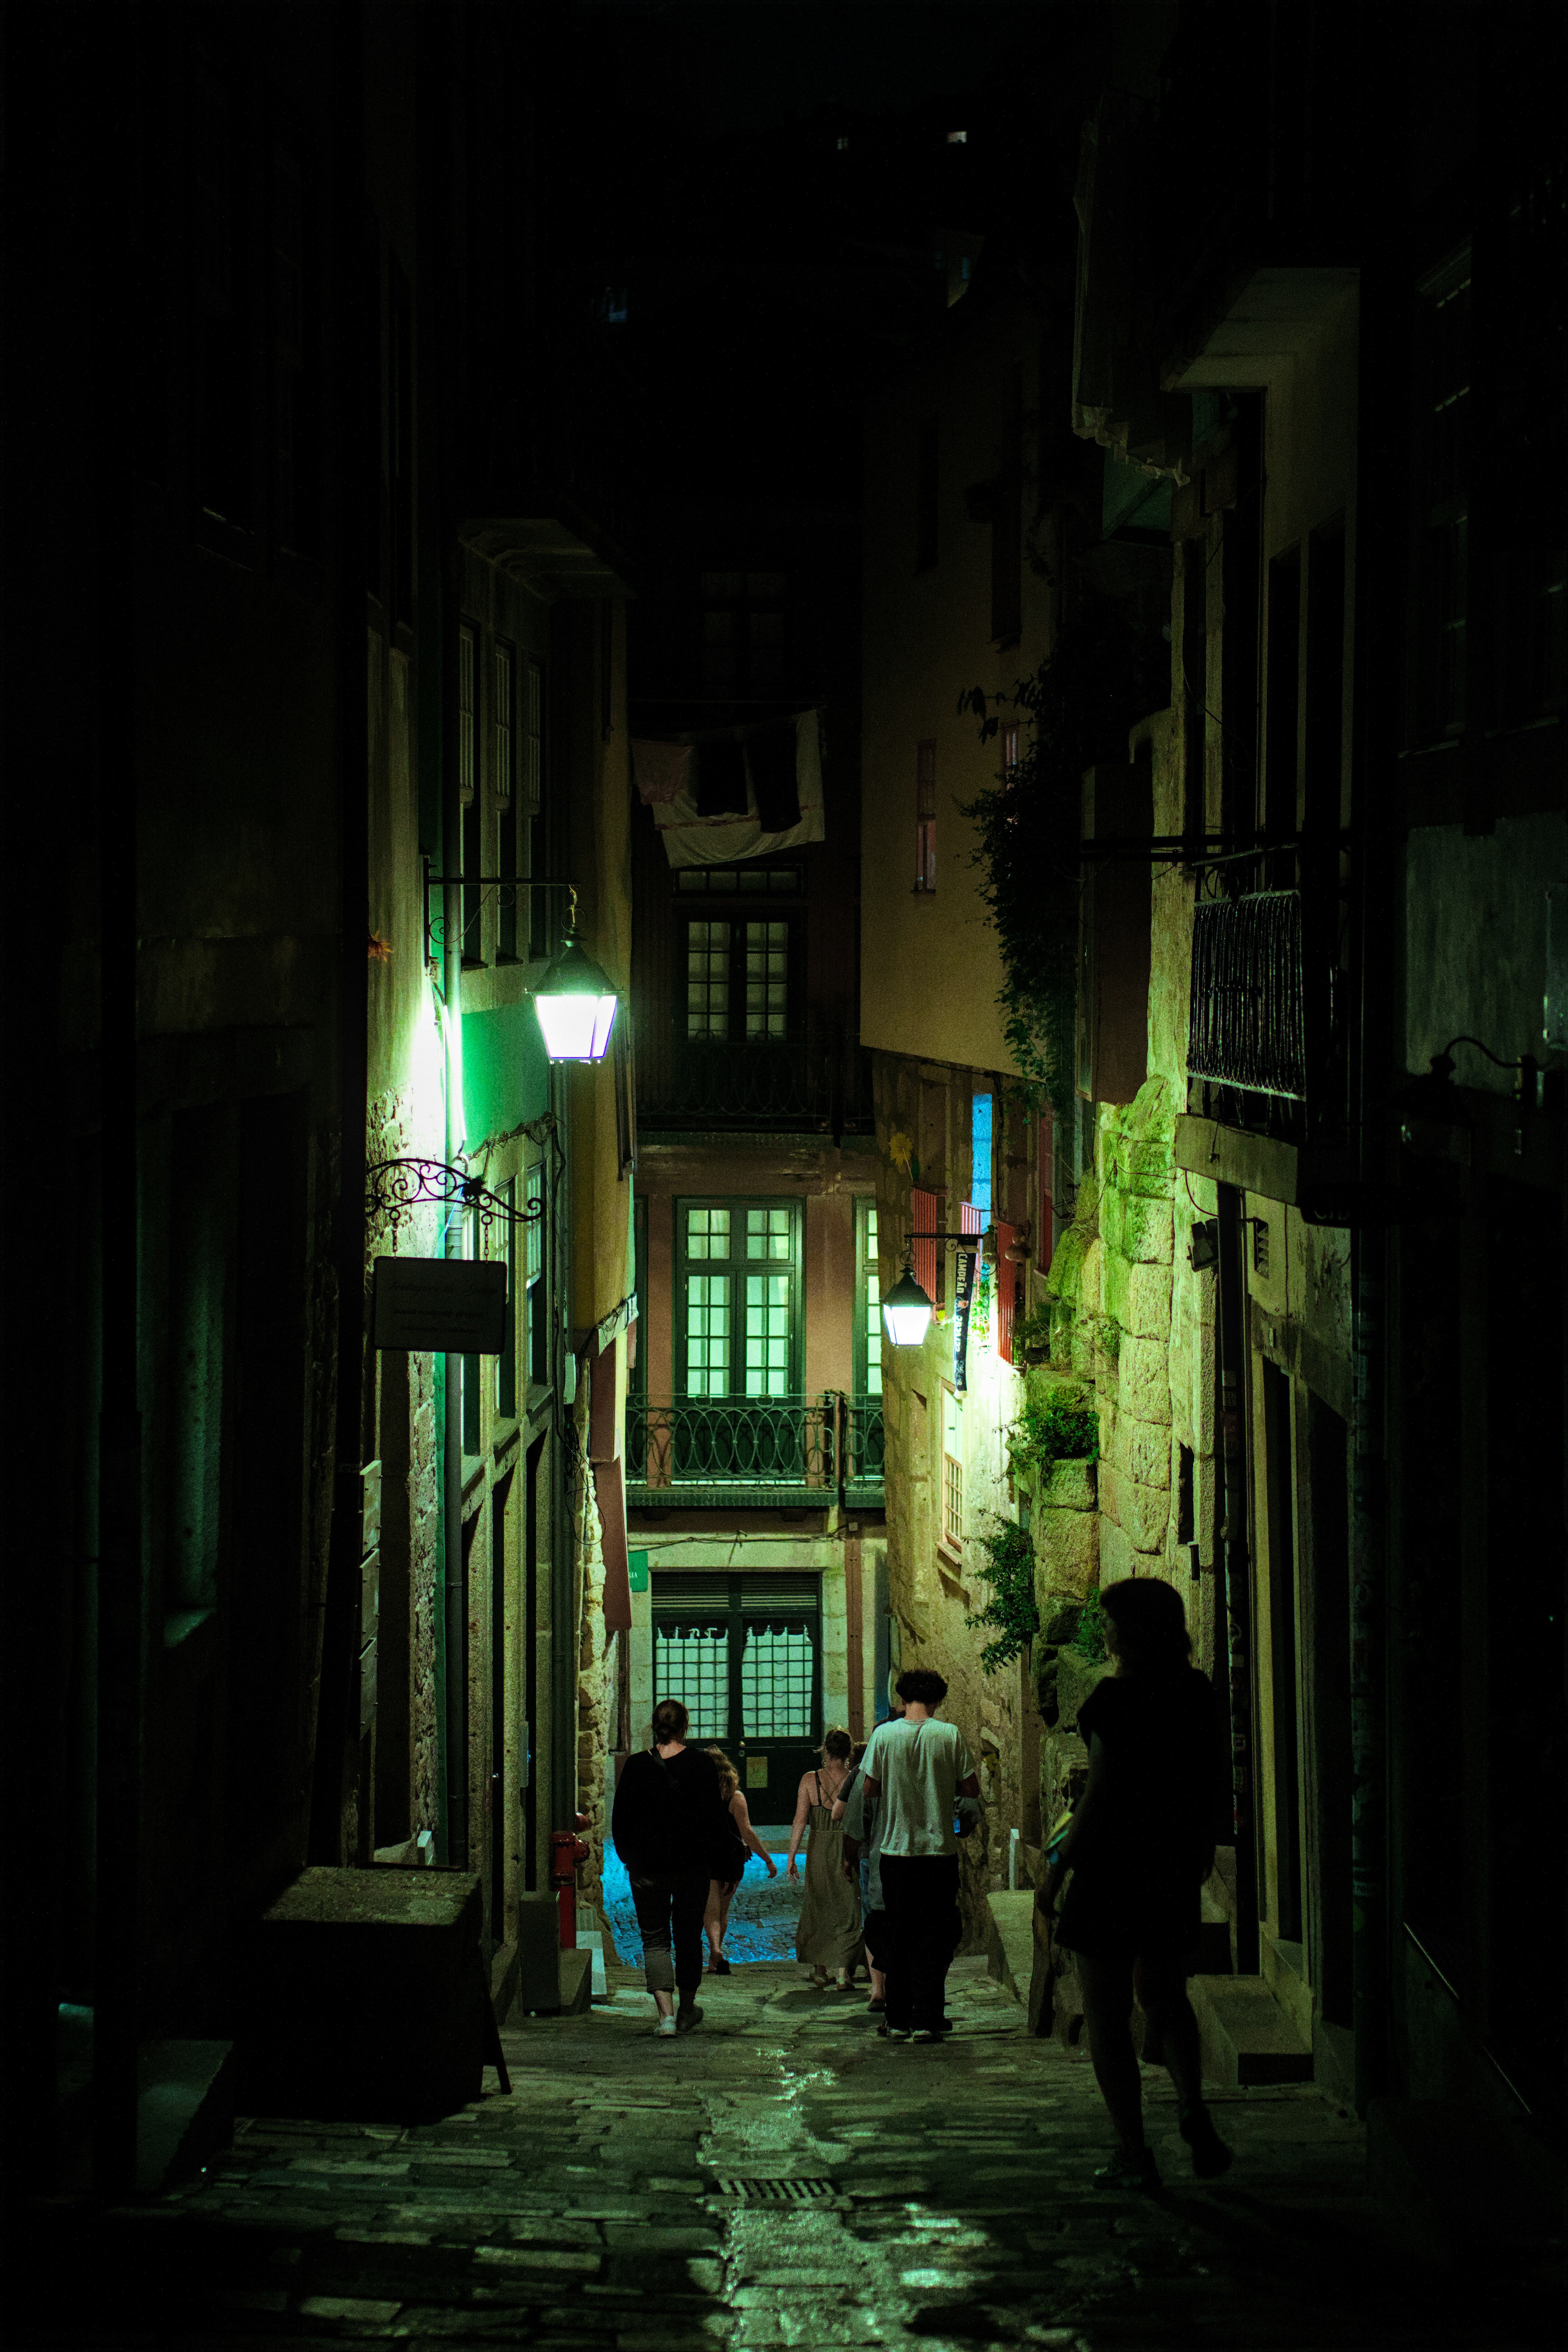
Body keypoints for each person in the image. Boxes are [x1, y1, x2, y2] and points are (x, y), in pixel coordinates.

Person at [1040, 1576, 1235, 2187]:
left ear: (1128, 1630)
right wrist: (1199, 1845)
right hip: (1170, 1865)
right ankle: (1190, 2105)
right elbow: (1210, 1777)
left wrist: (1058, 1869)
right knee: (1165, 1996)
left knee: (1106, 2014)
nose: (1104, 1629)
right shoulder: (1196, 1693)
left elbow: (1100, 1796)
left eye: (1110, 1620)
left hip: (1110, 1870)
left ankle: (1133, 2152)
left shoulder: (1111, 1702)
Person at [856, 1670, 979, 2042]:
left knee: (899, 1935)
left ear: (903, 1699)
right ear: (937, 1700)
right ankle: (927, 2018)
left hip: (895, 1852)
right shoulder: (950, 1735)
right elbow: (970, 1787)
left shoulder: (883, 1736)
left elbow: (870, 1788)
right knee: (935, 1937)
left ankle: (896, 2020)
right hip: (939, 1852)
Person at [610, 1698, 731, 2037]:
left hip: (647, 1868)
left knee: (655, 1940)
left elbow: (620, 1820)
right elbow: (714, 1819)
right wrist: (715, 1861)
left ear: (654, 1726)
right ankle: (687, 2010)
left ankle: (665, 2017)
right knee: (688, 1937)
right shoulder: (701, 1765)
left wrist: (629, 1858)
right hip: (690, 1868)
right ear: (685, 1727)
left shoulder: (635, 1766)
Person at [786, 1729, 863, 1989]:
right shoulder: (857, 1779)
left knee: (818, 1905)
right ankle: (843, 1973)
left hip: (819, 1848)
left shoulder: (810, 1780)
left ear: (825, 1750)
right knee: (848, 1907)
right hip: (847, 1847)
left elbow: (800, 1820)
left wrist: (792, 1857)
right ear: (849, 1752)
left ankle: (820, 1971)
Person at [702, 1744, 778, 1973]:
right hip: (731, 1857)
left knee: (710, 1910)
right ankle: (716, 1954)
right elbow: (747, 1832)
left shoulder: (698, 1794)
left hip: (705, 1854)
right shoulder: (736, 1798)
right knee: (723, 1911)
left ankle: (715, 1950)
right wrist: (767, 1859)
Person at [835, 1742, 888, 2012]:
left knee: (874, 1920)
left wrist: (849, 1857)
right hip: (923, 1854)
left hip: (873, 1855)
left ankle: (878, 1988)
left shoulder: (862, 1773)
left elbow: (846, 1816)